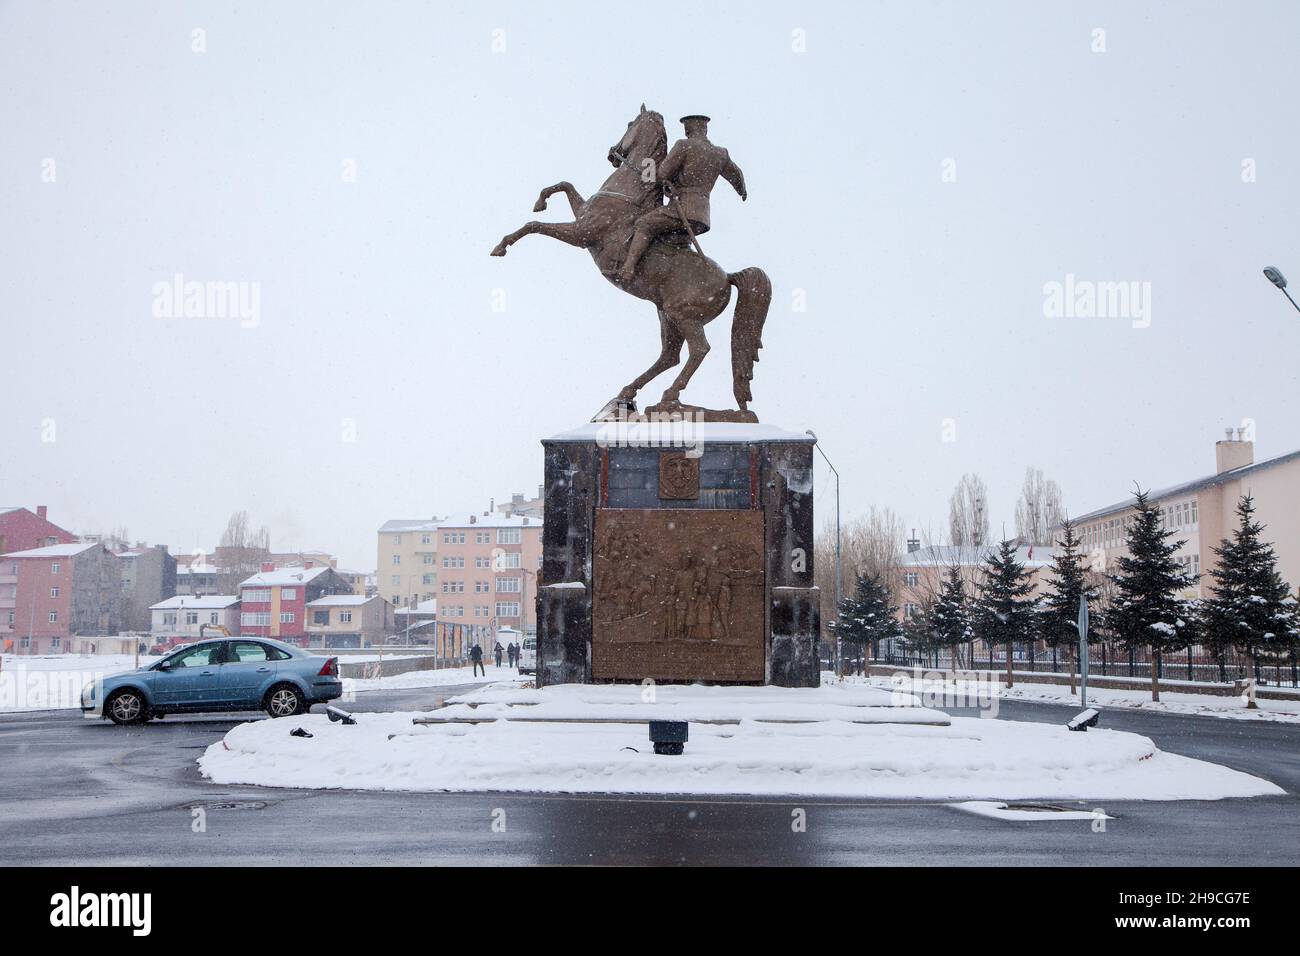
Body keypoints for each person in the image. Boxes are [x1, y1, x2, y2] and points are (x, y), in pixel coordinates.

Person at [617, 114, 747, 284]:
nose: (685, 130)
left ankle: (628, 268)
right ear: (705, 129)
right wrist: (742, 190)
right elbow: (736, 175)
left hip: (681, 210)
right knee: (670, 243)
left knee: (644, 224)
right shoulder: (720, 153)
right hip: (701, 217)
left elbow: (662, 174)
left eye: (686, 127)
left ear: (689, 128)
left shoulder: (684, 146)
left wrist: (648, 169)